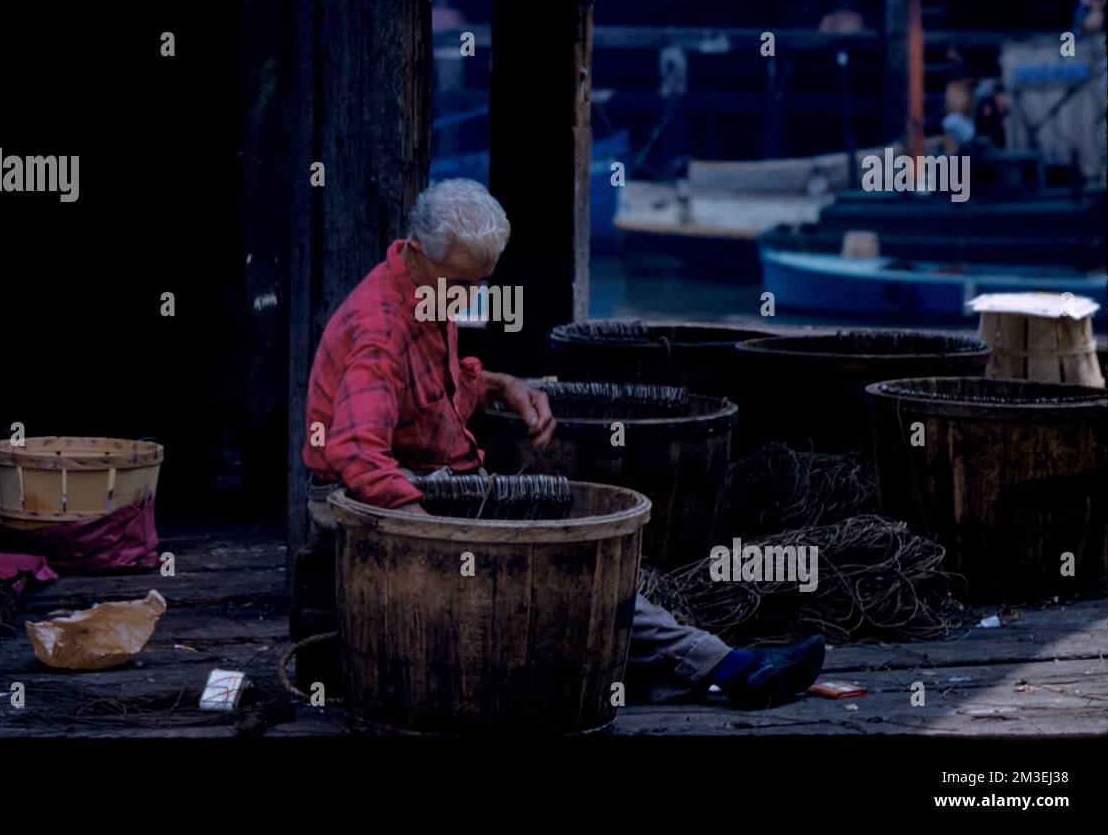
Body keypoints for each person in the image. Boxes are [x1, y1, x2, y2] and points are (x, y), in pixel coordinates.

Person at [303, 178, 824, 708]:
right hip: (388, 500)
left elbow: (425, 393)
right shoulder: (379, 330)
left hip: (441, 484)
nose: (466, 298)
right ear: (416, 251)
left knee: (580, 566)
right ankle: (727, 666)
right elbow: (358, 454)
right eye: (458, 284)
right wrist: (446, 534)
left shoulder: (425, 287)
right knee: (567, 562)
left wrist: (502, 384)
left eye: (479, 285)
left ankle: (705, 666)